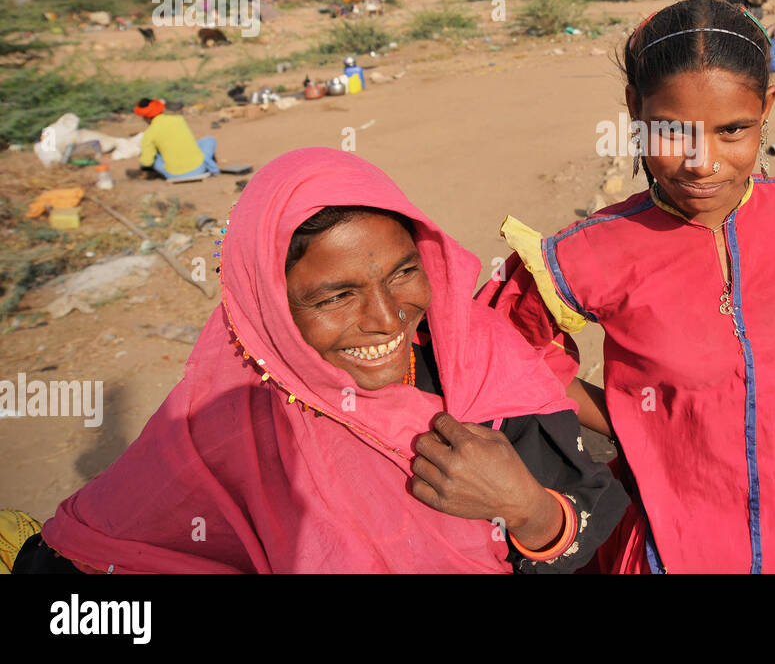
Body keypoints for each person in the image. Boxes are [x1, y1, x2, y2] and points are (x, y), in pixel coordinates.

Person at [14, 148, 626, 573]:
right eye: (335, 296)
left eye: (403, 273)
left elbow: (592, 508)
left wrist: (530, 510)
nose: (387, 319)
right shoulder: (227, 421)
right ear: (270, 305)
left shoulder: (481, 361)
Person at [478, 0, 775, 573]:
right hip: (667, 543)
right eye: (671, 131)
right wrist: (627, 416)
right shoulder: (592, 249)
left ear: (767, 108)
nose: (701, 161)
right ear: (634, 109)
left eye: (733, 130)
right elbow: (505, 346)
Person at [133, 98, 219, 180]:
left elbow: (147, 162)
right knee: (209, 140)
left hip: (173, 175)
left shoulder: (149, 134)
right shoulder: (179, 119)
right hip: (200, 169)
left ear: (146, 118)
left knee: (155, 157)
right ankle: (211, 167)